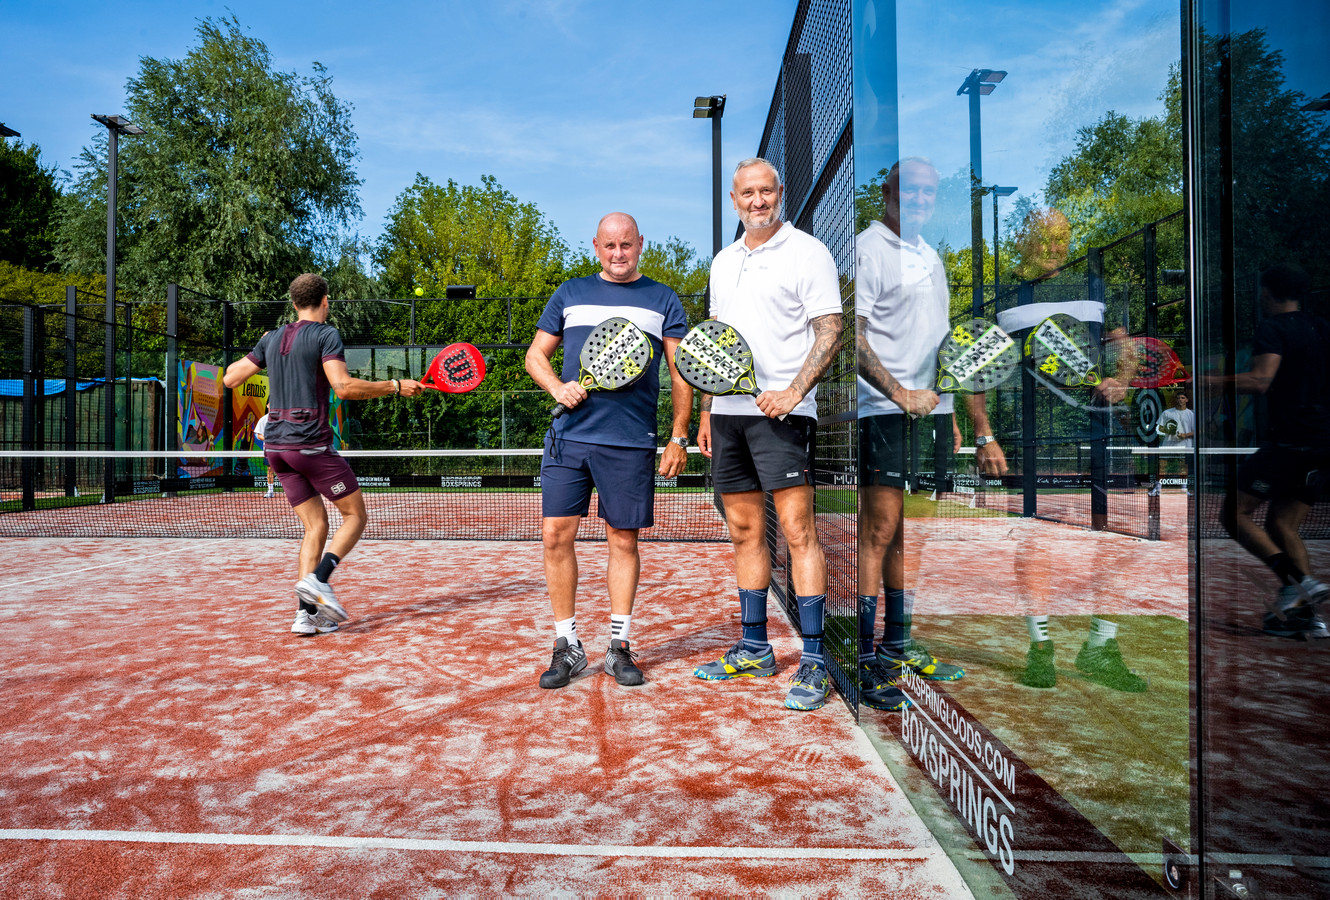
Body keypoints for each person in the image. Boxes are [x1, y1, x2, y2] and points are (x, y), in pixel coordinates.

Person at [854, 158, 1006, 711]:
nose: (919, 198)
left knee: (909, 532)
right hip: (886, 410)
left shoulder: (932, 256)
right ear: (887, 191)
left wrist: (977, 424)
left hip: (936, 416)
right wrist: (899, 393)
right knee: (880, 529)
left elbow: (951, 349)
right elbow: (855, 335)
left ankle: (898, 643)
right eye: (909, 188)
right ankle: (867, 657)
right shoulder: (870, 248)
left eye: (928, 191)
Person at [693, 158, 844, 711]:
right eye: (747, 193)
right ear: (734, 200)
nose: (757, 201)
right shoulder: (723, 261)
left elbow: (832, 329)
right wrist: (708, 410)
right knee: (742, 529)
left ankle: (812, 659)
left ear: (780, 193)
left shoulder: (809, 252)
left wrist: (791, 392)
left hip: (783, 414)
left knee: (799, 531)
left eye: (766, 191)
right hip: (729, 416)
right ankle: (755, 647)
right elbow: (713, 347)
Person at [524, 212, 691, 688]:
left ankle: (618, 647)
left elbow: (680, 373)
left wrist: (678, 435)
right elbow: (536, 356)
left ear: (641, 243)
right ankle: (567, 646)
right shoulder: (570, 294)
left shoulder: (663, 299)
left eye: (627, 245)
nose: (619, 254)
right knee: (555, 534)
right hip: (568, 438)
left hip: (629, 441)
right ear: (596, 246)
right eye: (610, 246)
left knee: (623, 541)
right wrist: (558, 388)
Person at [223, 273, 424, 635]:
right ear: (325, 301)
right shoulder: (325, 334)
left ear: (294, 302)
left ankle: (305, 614)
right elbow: (344, 388)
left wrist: (264, 355)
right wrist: (394, 386)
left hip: (277, 449)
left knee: (315, 526)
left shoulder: (271, 338)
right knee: (355, 516)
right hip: (310, 443)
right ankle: (319, 579)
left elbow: (230, 379)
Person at [1213, 263, 1330, 638]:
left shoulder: (1273, 328)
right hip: (1323, 444)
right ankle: (1308, 617)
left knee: (1234, 514)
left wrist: (1212, 383)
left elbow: (1260, 380)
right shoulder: (1322, 328)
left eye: (1261, 291)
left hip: (1290, 442)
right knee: (1282, 525)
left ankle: (1297, 582)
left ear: (1269, 293)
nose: (1259, 297)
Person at [1153, 390, 1195, 494]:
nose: (1180, 400)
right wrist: (1169, 431)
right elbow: (1159, 428)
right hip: (1168, 444)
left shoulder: (1191, 414)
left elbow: (1195, 431)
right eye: (1178, 398)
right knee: (1162, 465)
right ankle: (1158, 488)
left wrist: (1185, 435)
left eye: (1182, 398)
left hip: (1184, 445)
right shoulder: (1167, 413)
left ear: (1186, 400)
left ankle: (1184, 489)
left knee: (1182, 466)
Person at [253, 411, 277, 498]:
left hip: (283, 448)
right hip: (269, 449)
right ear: (267, 405)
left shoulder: (283, 417)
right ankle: (270, 491)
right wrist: (269, 439)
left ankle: (291, 491)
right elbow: (259, 435)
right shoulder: (263, 419)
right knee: (270, 470)